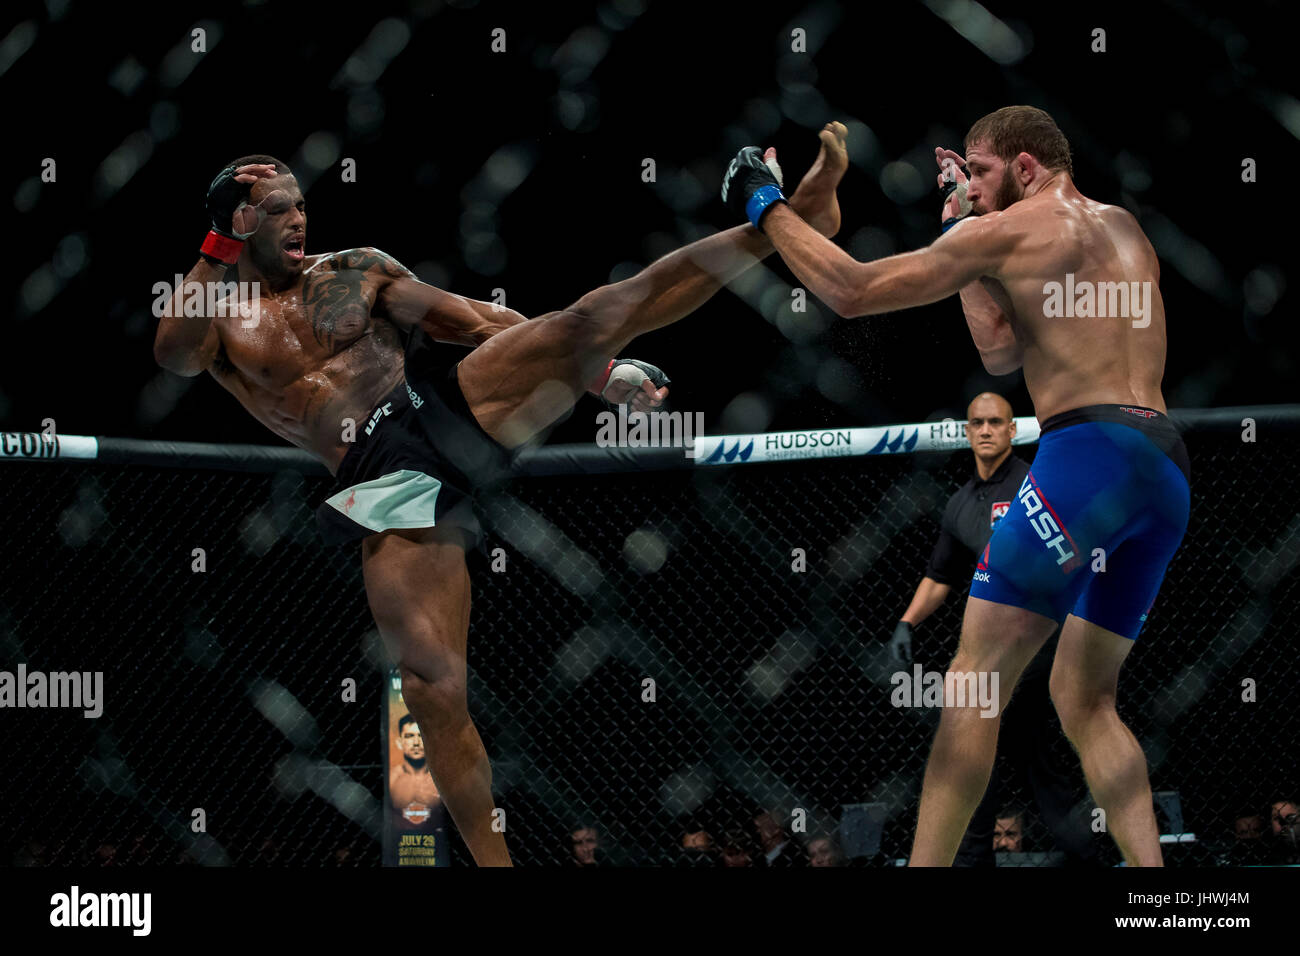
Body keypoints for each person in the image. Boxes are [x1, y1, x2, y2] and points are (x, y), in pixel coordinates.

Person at [155, 129, 848, 866]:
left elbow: (476, 320)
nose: (298, 218)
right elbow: (173, 355)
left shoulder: (355, 269)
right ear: (237, 220)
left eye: (300, 203)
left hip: (434, 406)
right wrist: (214, 248)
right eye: (275, 207)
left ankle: (776, 224)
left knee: (585, 319)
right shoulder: (217, 313)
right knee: (431, 688)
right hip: (375, 475)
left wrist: (596, 373)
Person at [724, 106, 1190, 867]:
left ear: (1026, 166)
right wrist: (962, 242)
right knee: (1085, 698)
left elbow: (849, 289)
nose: (967, 184)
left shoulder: (1009, 229)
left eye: (977, 170)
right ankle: (1160, 892)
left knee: (972, 681)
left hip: (1086, 454)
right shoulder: (1124, 228)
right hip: (1163, 465)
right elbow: (1005, 354)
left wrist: (763, 203)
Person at [891, 392, 1097, 866]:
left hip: (1036, 642)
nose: (985, 430)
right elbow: (939, 576)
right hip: (990, 652)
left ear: (1011, 429)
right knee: (996, 762)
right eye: (977, 423)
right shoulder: (962, 502)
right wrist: (906, 621)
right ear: (968, 431)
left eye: (995, 422)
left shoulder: (1032, 484)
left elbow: (1070, 554)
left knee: (1022, 762)